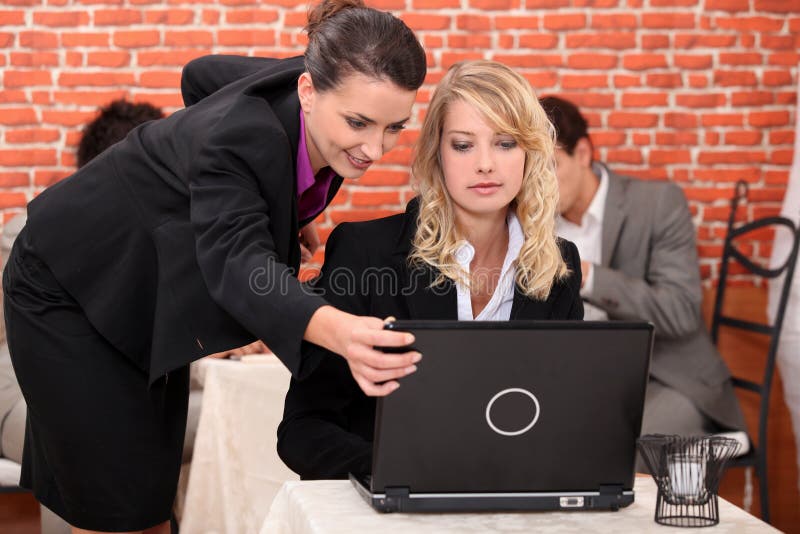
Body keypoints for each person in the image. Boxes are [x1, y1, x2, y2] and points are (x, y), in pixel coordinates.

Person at [2, 1, 426, 531]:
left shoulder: (307, 88)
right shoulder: (245, 135)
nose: (374, 148)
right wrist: (341, 331)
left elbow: (200, 74)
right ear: (308, 91)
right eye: (358, 123)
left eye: (394, 128)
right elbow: (239, 263)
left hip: (141, 293)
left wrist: (268, 204)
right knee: (109, 507)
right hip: (65, 284)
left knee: (148, 501)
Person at [277, 60, 584, 479]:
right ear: (437, 153)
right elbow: (303, 430)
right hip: (393, 500)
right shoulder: (365, 252)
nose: (485, 164)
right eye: (463, 145)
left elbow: (560, 420)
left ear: (529, 152)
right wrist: (408, 473)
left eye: (505, 143)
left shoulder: (560, 264)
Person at [539, 96, 746, 454]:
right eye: (532, 171)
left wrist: (586, 276)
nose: (541, 184)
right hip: (582, 384)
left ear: (583, 153)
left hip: (668, 380)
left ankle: (700, 448)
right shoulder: (533, 224)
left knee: (612, 447)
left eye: (550, 166)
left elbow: (680, 311)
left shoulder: (658, 204)